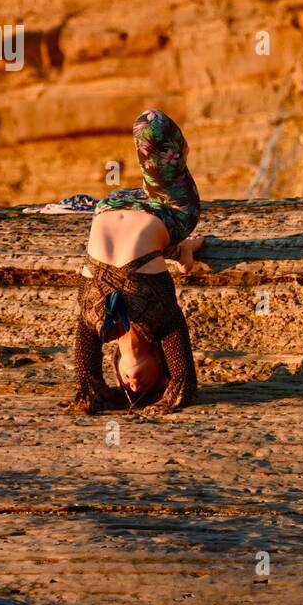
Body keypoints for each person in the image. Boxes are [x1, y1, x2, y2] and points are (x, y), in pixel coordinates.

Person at [67, 109, 205, 415]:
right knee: (152, 126)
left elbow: (85, 370)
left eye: (124, 380)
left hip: (112, 211)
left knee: (150, 128)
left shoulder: (100, 324)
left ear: (114, 364)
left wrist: (91, 392)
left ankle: (160, 145)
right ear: (160, 361)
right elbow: (184, 381)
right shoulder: (158, 322)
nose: (131, 383)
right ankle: (168, 144)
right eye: (142, 385)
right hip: (160, 215)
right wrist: (185, 250)